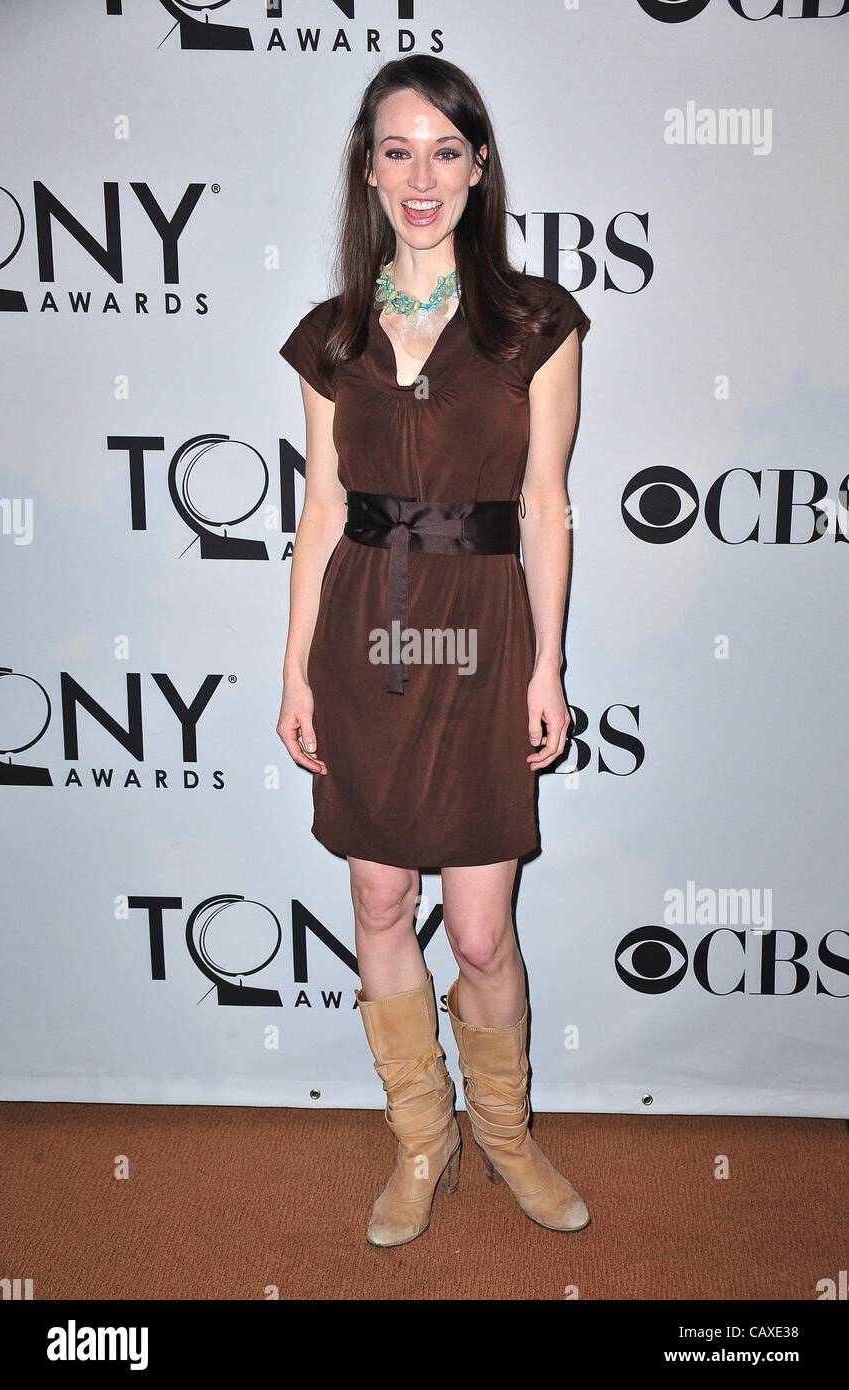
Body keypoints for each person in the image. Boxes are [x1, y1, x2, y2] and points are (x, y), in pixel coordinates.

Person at [277, 54, 591, 1248]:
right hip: (363, 627)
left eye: (446, 151)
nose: (423, 176)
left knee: (477, 929)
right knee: (376, 894)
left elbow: (548, 503)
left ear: (479, 167)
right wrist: (297, 666)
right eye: (398, 151)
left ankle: (504, 1131)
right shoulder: (332, 334)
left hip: (480, 628)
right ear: (369, 170)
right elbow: (318, 509)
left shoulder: (535, 324)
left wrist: (546, 664)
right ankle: (424, 1137)